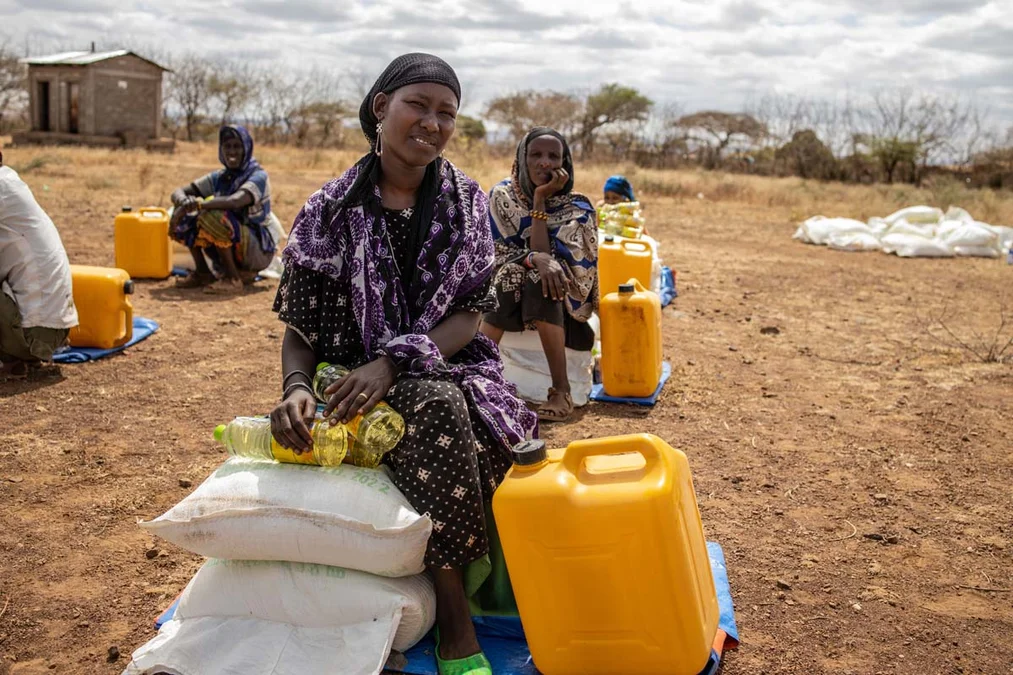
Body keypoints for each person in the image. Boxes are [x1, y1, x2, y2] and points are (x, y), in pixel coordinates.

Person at [270, 54, 536, 675]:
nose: (433, 122)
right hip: (347, 375)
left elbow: (470, 316)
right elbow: (302, 327)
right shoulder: (329, 209)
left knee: (479, 420)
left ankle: (460, 593)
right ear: (380, 106)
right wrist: (295, 387)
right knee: (439, 415)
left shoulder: (467, 203)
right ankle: (455, 615)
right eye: (419, 104)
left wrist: (394, 361)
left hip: (444, 362)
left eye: (447, 112)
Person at [479, 128, 598, 423]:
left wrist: (540, 201)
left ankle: (561, 390)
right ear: (522, 159)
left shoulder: (578, 209)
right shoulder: (501, 197)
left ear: (565, 163)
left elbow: (577, 278)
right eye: (536, 155)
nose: (545, 162)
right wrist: (534, 258)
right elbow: (491, 256)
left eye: (553, 156)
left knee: (541, 278)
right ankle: (477, 374)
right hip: (506, 298)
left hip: (560, 307)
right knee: (513, 272)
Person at [169, 125, 275, 294]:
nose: (232, 152)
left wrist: (195, 205)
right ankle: (203, 273)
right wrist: (183, 202)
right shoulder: (220, 176)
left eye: (237, 146)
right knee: (184, 216)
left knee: (214, 216)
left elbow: (234, 201)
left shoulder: (258, 176)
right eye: (227, 146)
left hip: (257, 250)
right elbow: (178, 191)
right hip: (235, 240)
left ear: (247, 148)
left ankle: (232, 279)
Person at [0, 150, 77, 380]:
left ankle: (14, 356)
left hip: (34, 332)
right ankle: (15, 358)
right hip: (49, 329)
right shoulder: (9, 182)